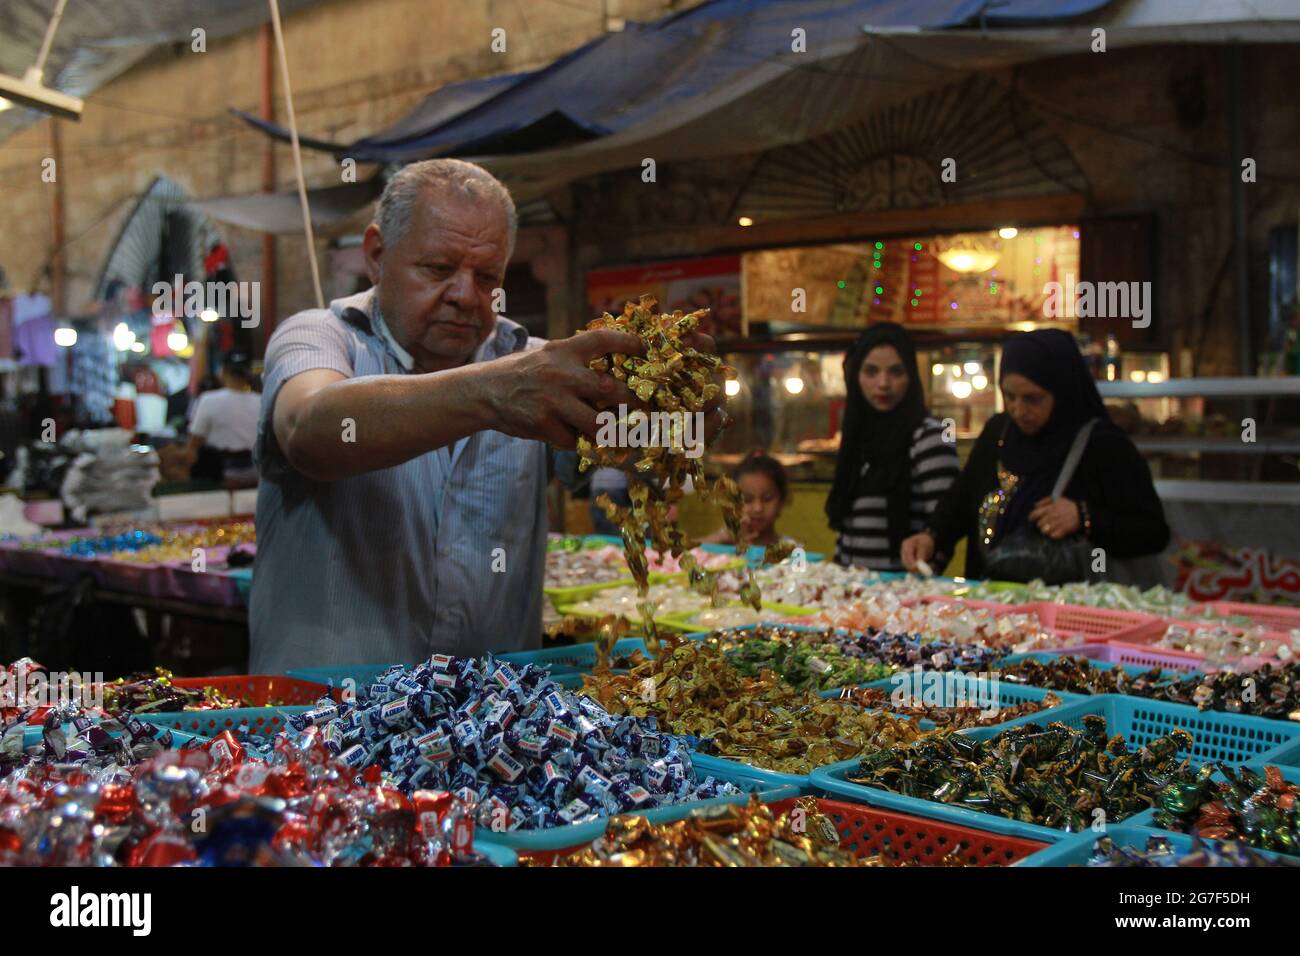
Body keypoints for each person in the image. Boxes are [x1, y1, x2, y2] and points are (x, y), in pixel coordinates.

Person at [249, 159, 725, 673]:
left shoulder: (536, 369)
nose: (463, 295)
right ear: (376, 254)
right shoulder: (321, 337)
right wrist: (492, 394)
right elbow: (310, 429)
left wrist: (672, 427)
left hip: (490, 732)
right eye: (438, 269)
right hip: (323, 729)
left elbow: (620, 471)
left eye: (487, 277)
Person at [901, 329, 1169, 582]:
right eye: (1009, 396)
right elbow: (961, 500)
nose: (1018, 410)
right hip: (991, 611)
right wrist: (931, 536)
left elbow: (1153, 532)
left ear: (1061, 390)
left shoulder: (1102, 444)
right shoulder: (999, 430)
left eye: (1033, 398)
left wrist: (1084, 517)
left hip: (1066, 617)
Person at [826, 323, 959, 571]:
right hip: (851, 595)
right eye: (871, 371)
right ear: (856, 376)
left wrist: (917, 587)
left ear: (911, 375)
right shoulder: (858, 437)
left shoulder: (931, 436)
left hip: (904, 599)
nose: (883, 383)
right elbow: (846, 529)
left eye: (896, 372)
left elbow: (945, 527)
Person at [185, 356, 260, 483]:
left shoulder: (208, 399)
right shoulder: (261, 400)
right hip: (256, 472)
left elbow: (195, 441)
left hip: (219, 474)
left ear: (222, 372)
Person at [702, 452, 795, 549]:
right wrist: (723, 537)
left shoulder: (791, 550)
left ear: (782, 501)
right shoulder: (721, 543)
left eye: (767, 499)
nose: (758, 508)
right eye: (747, 500)